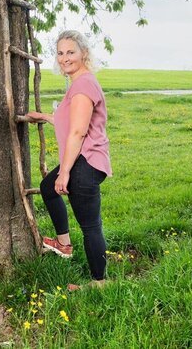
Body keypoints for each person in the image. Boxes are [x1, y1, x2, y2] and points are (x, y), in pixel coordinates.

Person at [26, 30, 113, 288]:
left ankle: (99, 282)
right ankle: (63, 243)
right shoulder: (79, 83)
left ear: (84, 53)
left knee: (90, 226)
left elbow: (78, 131)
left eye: (71, 52)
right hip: (83, 158)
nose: (65, 58)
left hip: (87, 160)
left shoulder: (83, 85)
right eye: (60, 53)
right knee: (47, 187)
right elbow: (71, 120)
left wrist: (64, 172)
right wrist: (45, 117)